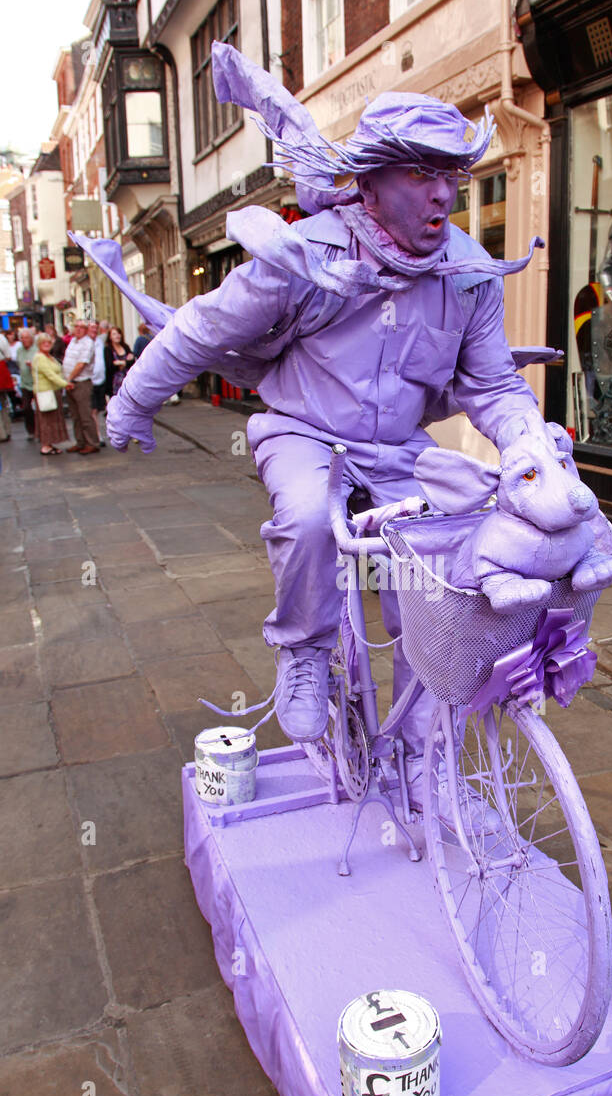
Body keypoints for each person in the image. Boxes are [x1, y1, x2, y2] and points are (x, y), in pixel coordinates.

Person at [74, 44, 549, 805]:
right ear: (370, 182)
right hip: (303, 433)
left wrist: (526, 441)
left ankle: (428, 748)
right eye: (421, 174)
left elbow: (491, 381)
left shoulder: (467, 273)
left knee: (442, 570)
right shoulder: (301, 257)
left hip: (397, 450)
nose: (443, 197)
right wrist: (131, 402)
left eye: (451, 177)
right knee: (306, 521)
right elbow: (198, 330)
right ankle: (302, 650)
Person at [62, 319, 100, 454]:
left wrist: (69, 379)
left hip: (81, 382)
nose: (78, 329)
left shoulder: (88, 343)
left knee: (85, 415)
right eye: (76, 326)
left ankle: (92, 443)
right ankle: (80, 441)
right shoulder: (73, 341)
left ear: (86, 330)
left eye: (82, 327)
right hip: (71, 382)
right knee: (75, 415)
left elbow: (81, 364)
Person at [32, 334, 70, 455]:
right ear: (39, 344)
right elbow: (50, 374)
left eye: (48, 342)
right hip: (45, 393)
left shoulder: (49, 356)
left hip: (53, 391)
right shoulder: (39, 358)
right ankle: (46, 445)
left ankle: (49, 443)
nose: (47, 345)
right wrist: (65, 384)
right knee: (46, 420)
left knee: (52, 419)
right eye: (44, 343)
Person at [88, 320, 109, 444]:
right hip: (90, 381)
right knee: (93, 410)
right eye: (91, 328)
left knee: (101, 409)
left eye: (96, 328)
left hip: (102, 380)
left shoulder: (100, 341)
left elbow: (109, 331)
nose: (94, 330)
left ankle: (102, 433)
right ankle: (97, 435)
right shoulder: (84, 343)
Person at [16, 328, 38, 439]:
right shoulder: (19, 350)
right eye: (22, 338)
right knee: (26, 408)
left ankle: (40, 430)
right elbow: (18, 363)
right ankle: (31, 430)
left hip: (36, 383)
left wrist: (32, 365)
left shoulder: (36, 349)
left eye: (26, 337)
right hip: (24, 383)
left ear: (31, 338)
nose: (24, 340)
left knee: (40, 408)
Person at [105, 326, 134, 396]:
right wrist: (126, 362)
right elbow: (110, 366)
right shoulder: (108, 349)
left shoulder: (125, 346)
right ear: (110, 337)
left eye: (118, 333)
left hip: (129, 382)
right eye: (114, 334)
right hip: (115, 385)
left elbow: (132, 362)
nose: (117, 336)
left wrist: (121, 363)